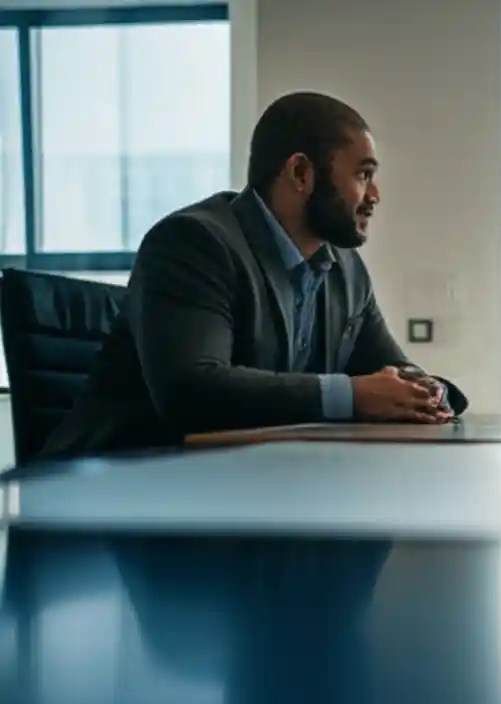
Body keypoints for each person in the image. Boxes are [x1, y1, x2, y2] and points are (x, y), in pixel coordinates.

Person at [42, 91, 467, 458]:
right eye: (363, 174)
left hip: (245, 489)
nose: (375, 195)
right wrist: (353, 396)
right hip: (115, 498)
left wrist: (428, 394)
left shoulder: (344, 269)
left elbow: (393, 374)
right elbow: (191, 391)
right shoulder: (194, 243)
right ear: (301, 173)